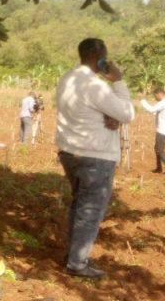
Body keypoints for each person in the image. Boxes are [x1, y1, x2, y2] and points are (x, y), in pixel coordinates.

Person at [55, 38, 134, 280]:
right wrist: (118, 80)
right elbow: (127, 113)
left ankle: (72, 255)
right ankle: (77, 264)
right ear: (99, 57)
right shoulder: (95, 85)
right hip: (95, 156)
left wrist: (111, 116)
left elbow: (91, 111)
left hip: (70, 152)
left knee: (79, 205)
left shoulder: (67, 78)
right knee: (90, 210)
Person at [140, 86, 165, 177]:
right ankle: (159, 168)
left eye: (155, 96)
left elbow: (151, 110)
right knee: (157, 148)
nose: (155, 98)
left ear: (159, 94)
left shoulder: (163, 103)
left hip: (162, 130)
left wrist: (142, 101)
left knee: (159, 150)